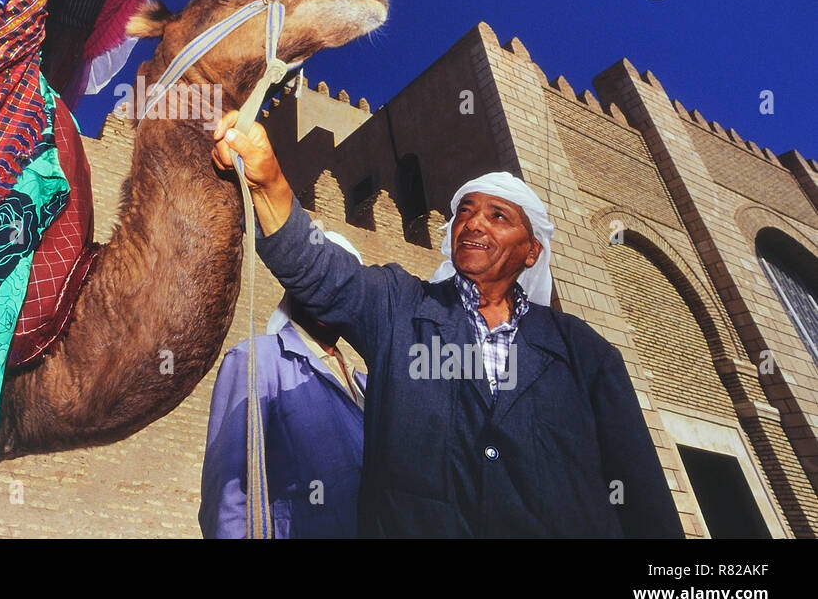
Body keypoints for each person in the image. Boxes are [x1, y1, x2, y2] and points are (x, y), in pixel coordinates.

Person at [211, 110, 684, 538]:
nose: (474, 224)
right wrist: (267, 183)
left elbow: (642, 499)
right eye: (466, 212)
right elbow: (320, 272)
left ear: (531, 250)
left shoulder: (585, 353)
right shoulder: (399, 308)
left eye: (498, 216)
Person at [199, 231, 368, 538]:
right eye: (319, 277)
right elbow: (228, 496)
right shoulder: (256, 360)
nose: (330, 292)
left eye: (343, 284)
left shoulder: (366, 385)